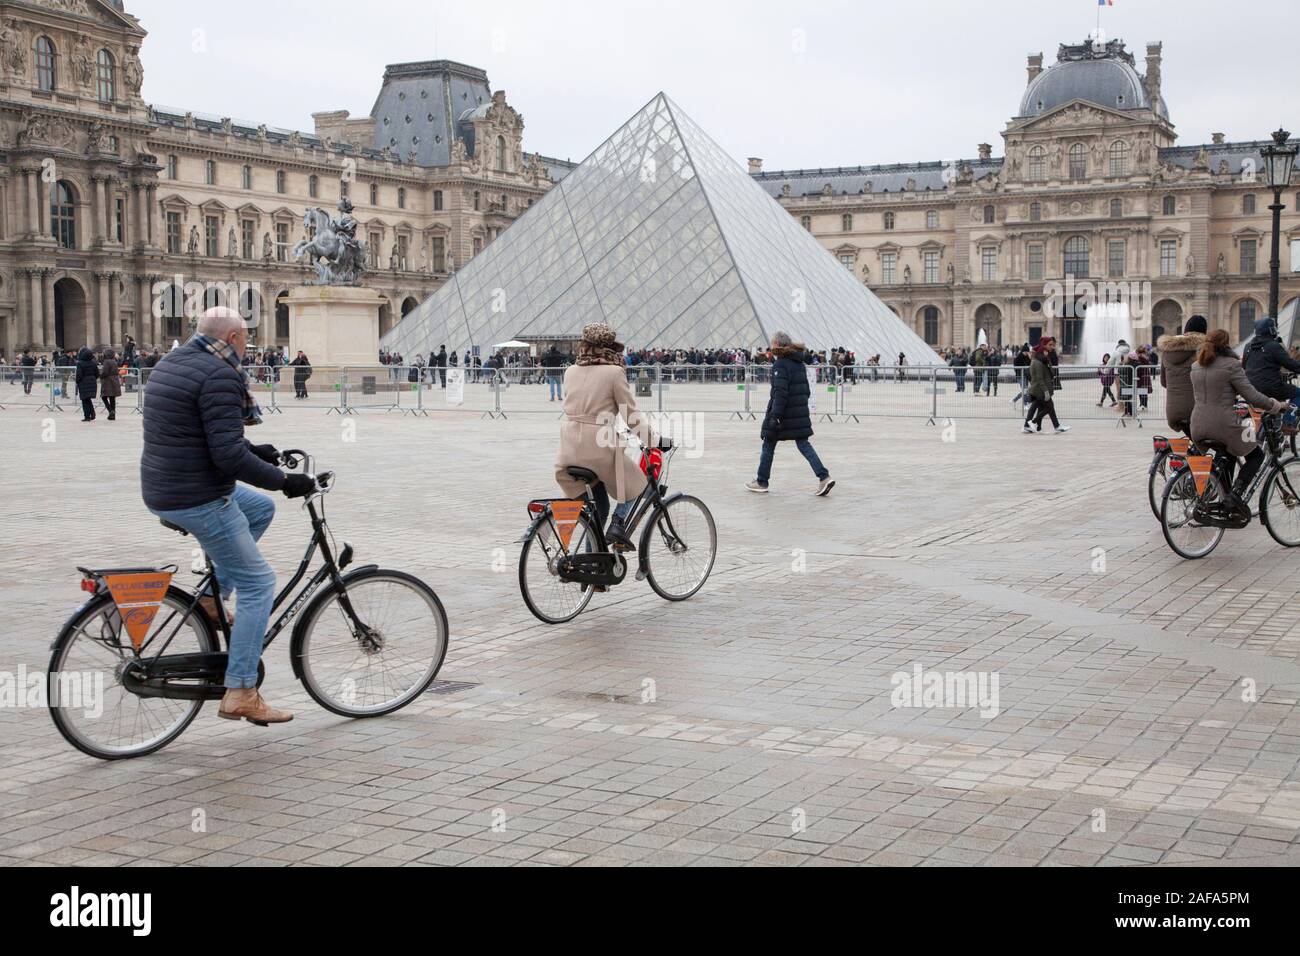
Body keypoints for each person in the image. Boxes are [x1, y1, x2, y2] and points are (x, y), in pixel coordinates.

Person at [141, 306, 315, 725]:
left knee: (258, 509)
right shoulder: (220, 375)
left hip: (166, 485)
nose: (247, 346)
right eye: (245, 338)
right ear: (235, 337)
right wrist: (284, 480)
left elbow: (201, 434)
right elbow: (226, 456)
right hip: (197, 494)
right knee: (260, 584)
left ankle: (209, 599)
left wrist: (257, 451)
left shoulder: (174, 361)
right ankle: (241, 690)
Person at [555, 323, 664, 552]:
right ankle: (618, 524)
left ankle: (591, 568)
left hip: (568, 448)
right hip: (598, 447)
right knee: (638, 481)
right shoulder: (614, 373)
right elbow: (631, 416)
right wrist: (654, 440)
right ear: (610, 347)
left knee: (600, 507)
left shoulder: (570, 371)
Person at [1191, 328, 1287, 518]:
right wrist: (1277, 405)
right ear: (1226, 344)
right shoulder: (1232, 365)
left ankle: (1226, 500)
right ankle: (1235, 496)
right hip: (1224, 424)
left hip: (1198, 424)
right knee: (1256, 454)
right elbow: (1253, 397)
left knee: (1230, 454)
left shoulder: (1196, 366)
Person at [746, 331, 834, 496]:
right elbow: (806, 390)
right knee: (803, 443)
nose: (770, 348)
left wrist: (775, 415)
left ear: (778, 345)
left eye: (772, 344)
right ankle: (824, 477)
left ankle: (761, 481)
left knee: (768, 443)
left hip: (784, 413)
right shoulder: (799, 363)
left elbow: (780, 392)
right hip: (798, 412)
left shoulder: (780, 364)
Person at [1157, 316, 1207, 435]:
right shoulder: (1204, 350)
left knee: (1197, 446)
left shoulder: (1167, 351)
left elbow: (1164, 383)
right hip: (1197, 410)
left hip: (1173, 412)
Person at [1243, 315, 1300, 406]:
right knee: (1298, 394)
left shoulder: (1248, 346)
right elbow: (1291, 364)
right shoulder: (1273, 346)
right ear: (1271, 330)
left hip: (1251, 387)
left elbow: (1244, 365)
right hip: (1271, 387)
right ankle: (1288, 420)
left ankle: (1271, 417)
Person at [1023, 337, 1069, 434]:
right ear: (1044, 346)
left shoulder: (1043, 359)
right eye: (1050, 345)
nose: (1053, 347)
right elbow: (1039, 378)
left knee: (1037, 406)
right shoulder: (1038, 361)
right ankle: (1034, 423)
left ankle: (1028, 425)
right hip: (1040, 389)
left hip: (1040, 388)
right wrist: (1046, 391)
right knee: (1049, 407)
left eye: (1053, 344)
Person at [75, 347, 99, 421]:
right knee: (88, 399)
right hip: (92, 382)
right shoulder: (93, 363)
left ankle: (87, 416)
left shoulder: (80, 363)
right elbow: (97, 374)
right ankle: (92, 413)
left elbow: (79, 375)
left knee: (84, 400)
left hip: (83, 383)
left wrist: (77, 381)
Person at [99, 349, 122, 420]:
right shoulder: (114, 361)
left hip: (108, 381)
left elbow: (105, 372)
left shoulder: (106, 362)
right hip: (114, 381)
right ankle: (113, 414)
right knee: (112, 398)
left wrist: (100, 375)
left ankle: (110, 411)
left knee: (103, 396)